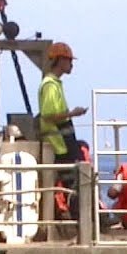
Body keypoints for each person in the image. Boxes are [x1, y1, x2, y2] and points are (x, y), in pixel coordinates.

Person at [38, 42, 89, 219]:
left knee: (73, 181)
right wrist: (72, 113)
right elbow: (49, 115)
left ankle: (80, 217)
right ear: (59, 61)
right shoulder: (50, 85)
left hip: (63, 143)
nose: (71, 64)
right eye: (68, 60)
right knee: (74, 181)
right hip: (59, 144)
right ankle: (80, 218)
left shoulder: (55, 84)